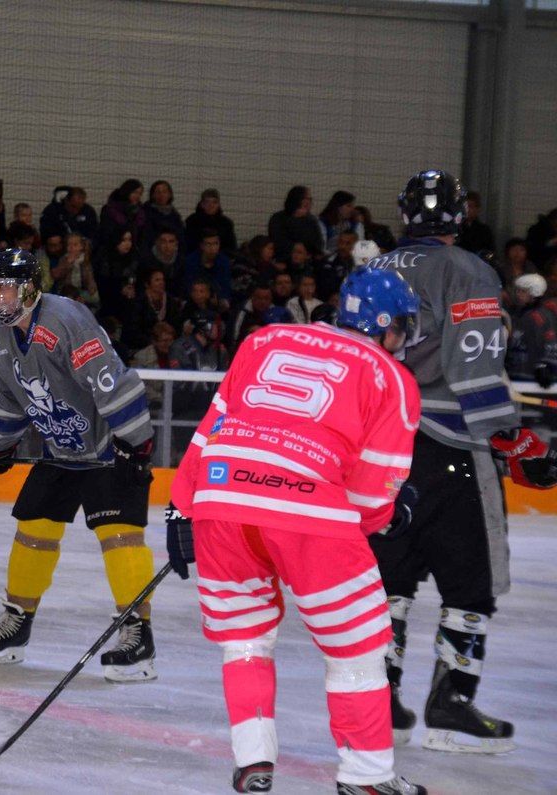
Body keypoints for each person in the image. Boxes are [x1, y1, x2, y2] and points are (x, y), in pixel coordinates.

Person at [166, 265, 426, 795]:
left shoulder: (265, 338)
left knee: (244, 638)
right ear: (384, 325)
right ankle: (366, 776)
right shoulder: (392, 377)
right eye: (400, 327)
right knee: (356, 648)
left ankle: (253, 761)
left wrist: (182, 508)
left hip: (222, 501)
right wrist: (386, 516)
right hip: (311, 515)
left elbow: (212, 426)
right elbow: (372, 493)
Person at [368, 169, 557, 756]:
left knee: (390, 580)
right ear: (460, 215)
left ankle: (376, 704)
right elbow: (474, 371)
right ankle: (450, 705)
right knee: (471, 583)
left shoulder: (373, 270)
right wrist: (513, 441)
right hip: (452, 448)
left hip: (382, 451)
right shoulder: (469, 270)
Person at [0, 249, 158, 683]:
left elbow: (110, 379)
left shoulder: (65, 319)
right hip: (61, 448)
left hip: (110, 445)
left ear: (30, 290)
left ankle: (138, 634)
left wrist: (136, 442)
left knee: (119, 534)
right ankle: (17, 622)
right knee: (34, 526)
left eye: (4, 289)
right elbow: (8, 399)